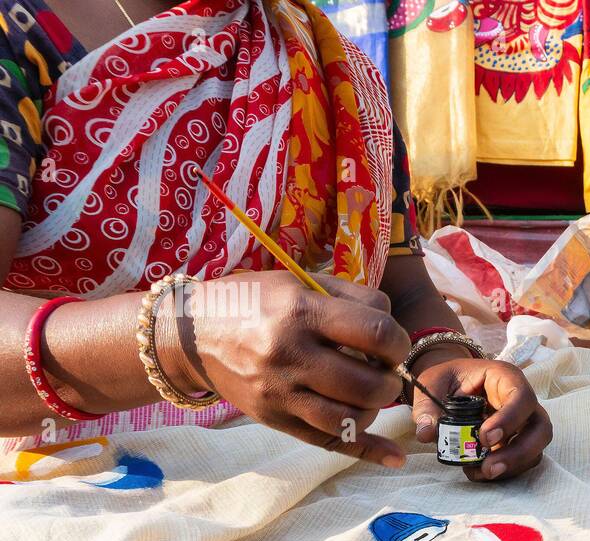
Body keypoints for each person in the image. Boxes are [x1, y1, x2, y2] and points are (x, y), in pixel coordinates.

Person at [0, 0, 551, 483]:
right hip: (75, 478)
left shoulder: (330, 71)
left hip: (302, 471)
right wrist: (186, 340)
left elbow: (403, 296)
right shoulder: (20, 31)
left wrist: (445, 363)